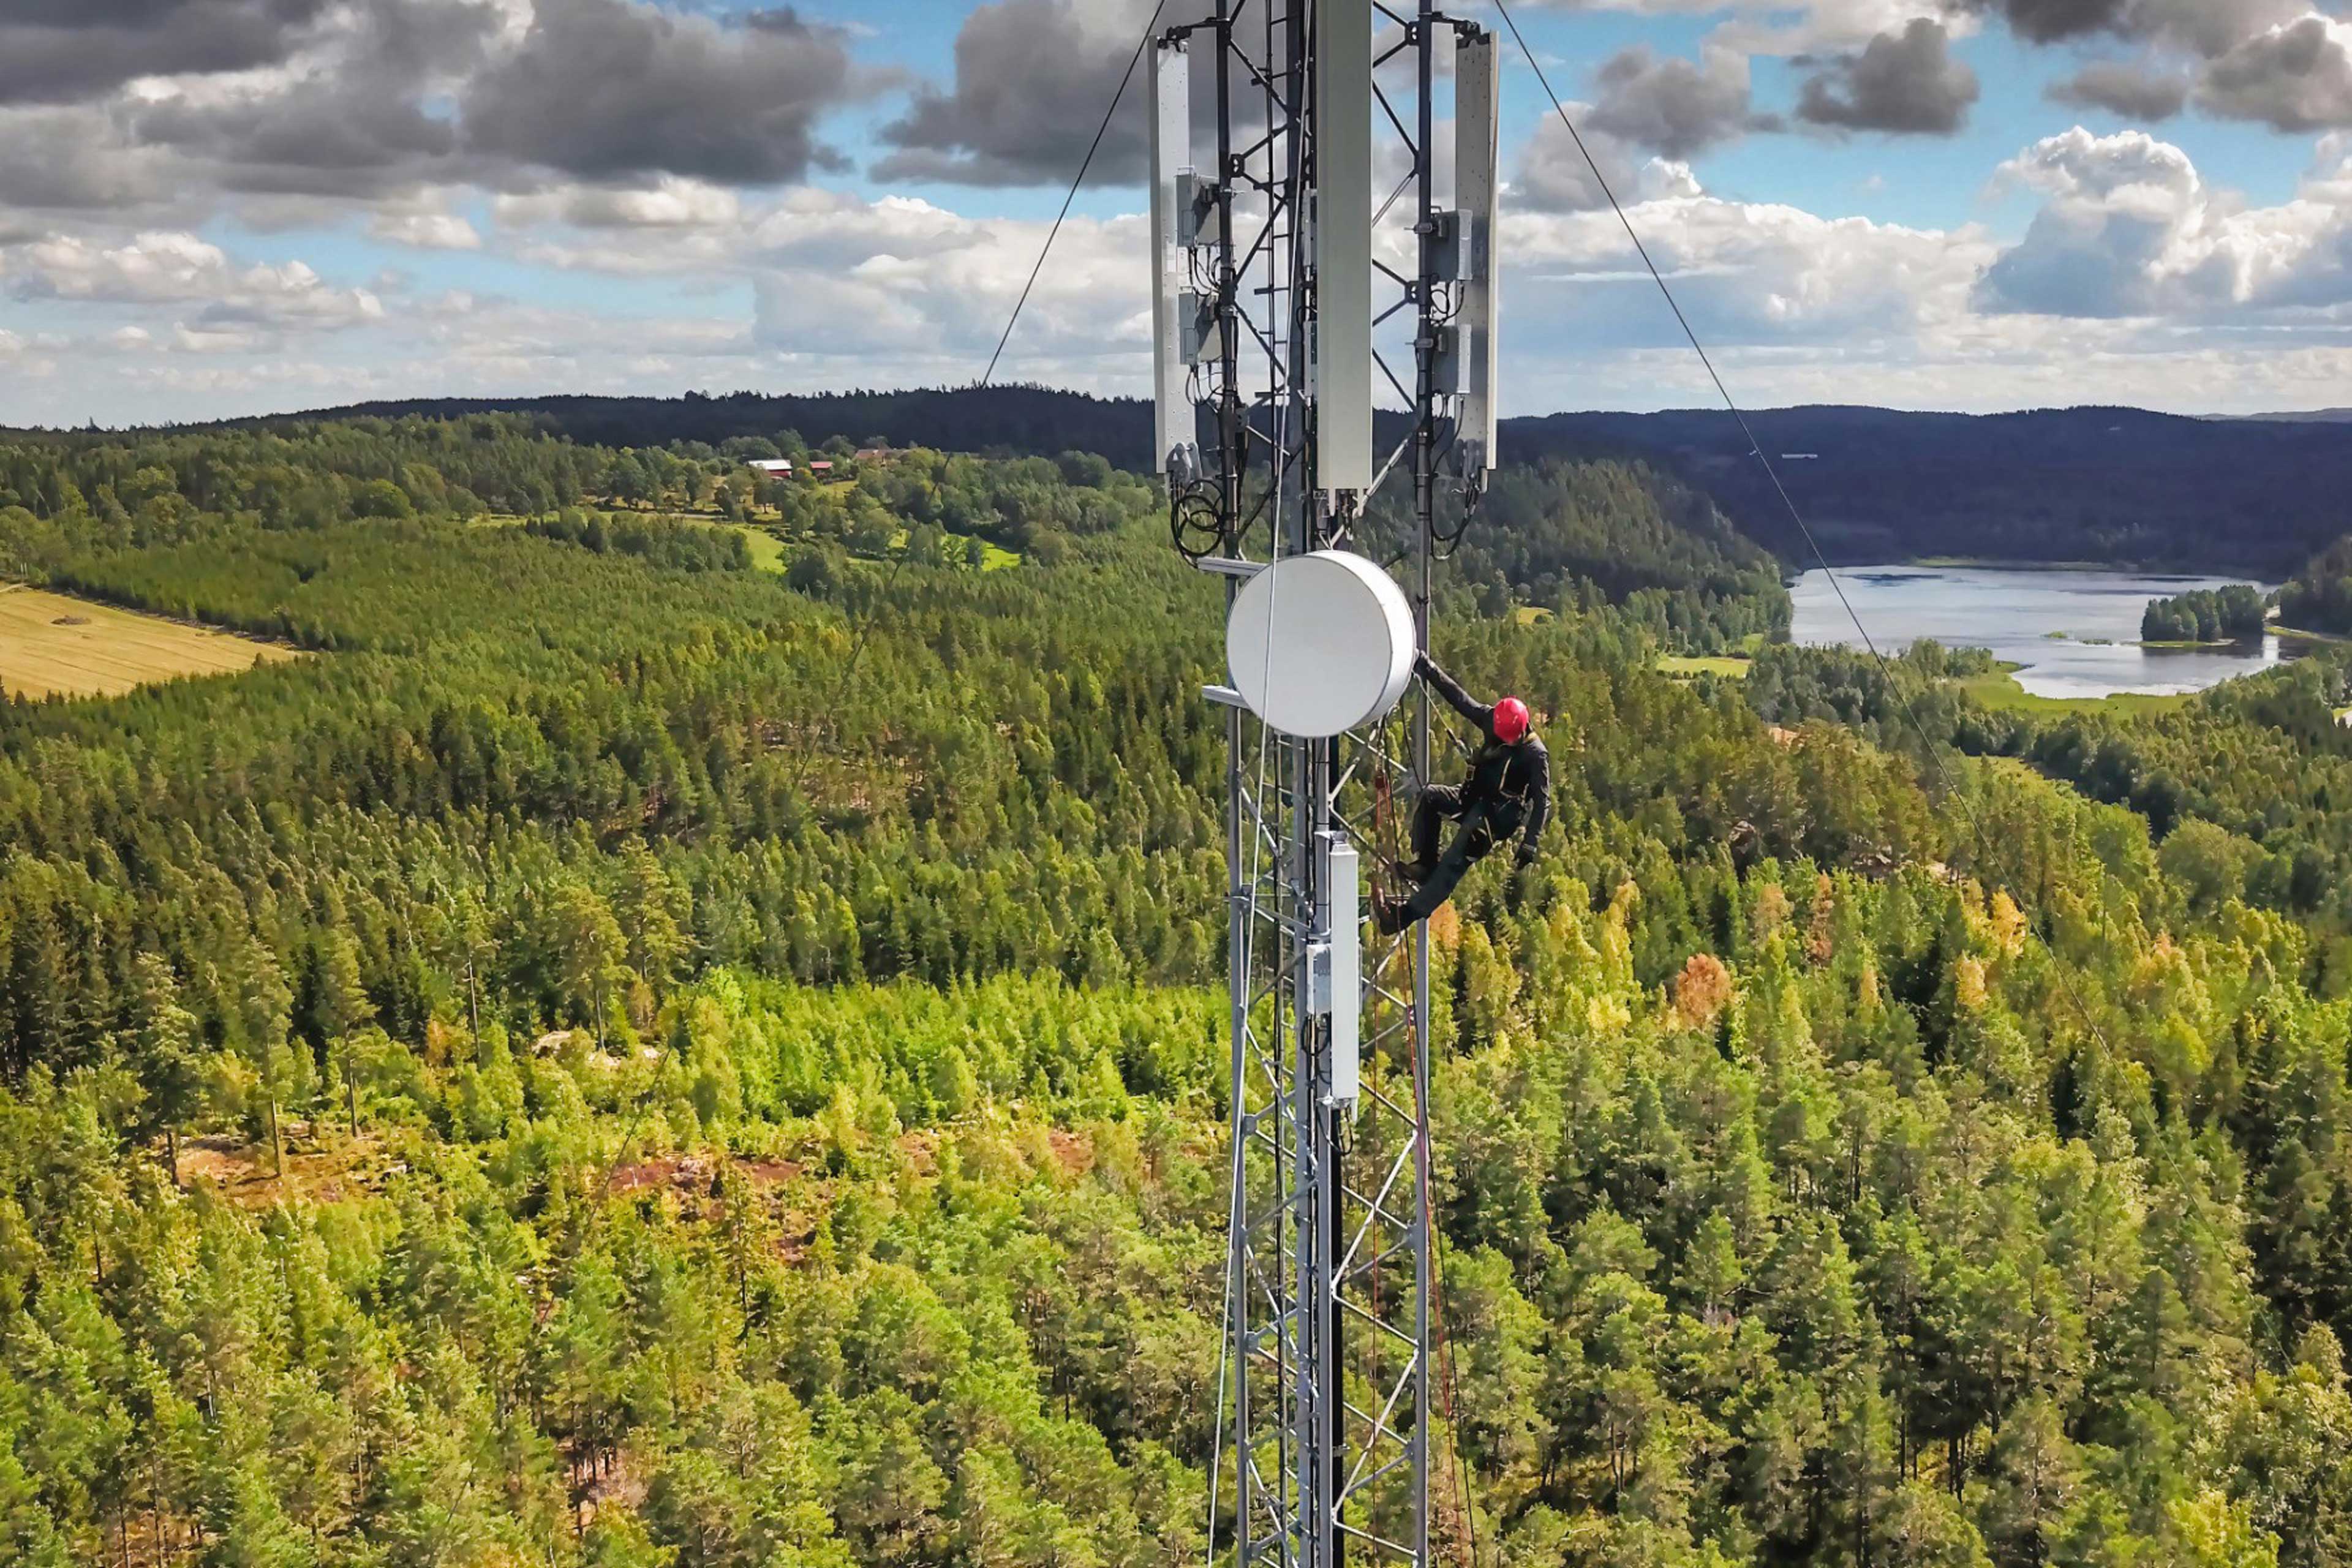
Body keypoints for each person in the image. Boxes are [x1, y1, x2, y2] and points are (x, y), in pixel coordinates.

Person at [1376, 652, 1550, 935]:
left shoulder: (1535, 755)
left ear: (1522, 731)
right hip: (1474, 797)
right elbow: (1459, 699)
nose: (1505, 742)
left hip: (1497, 817)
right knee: (1431, 797)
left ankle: (1403, 916)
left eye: (1510, 740)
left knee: (1457, 855)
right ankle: (1425, 864)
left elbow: (1542, 800)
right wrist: (1427, 668)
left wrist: (1530, 843)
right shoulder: (1492, 720)